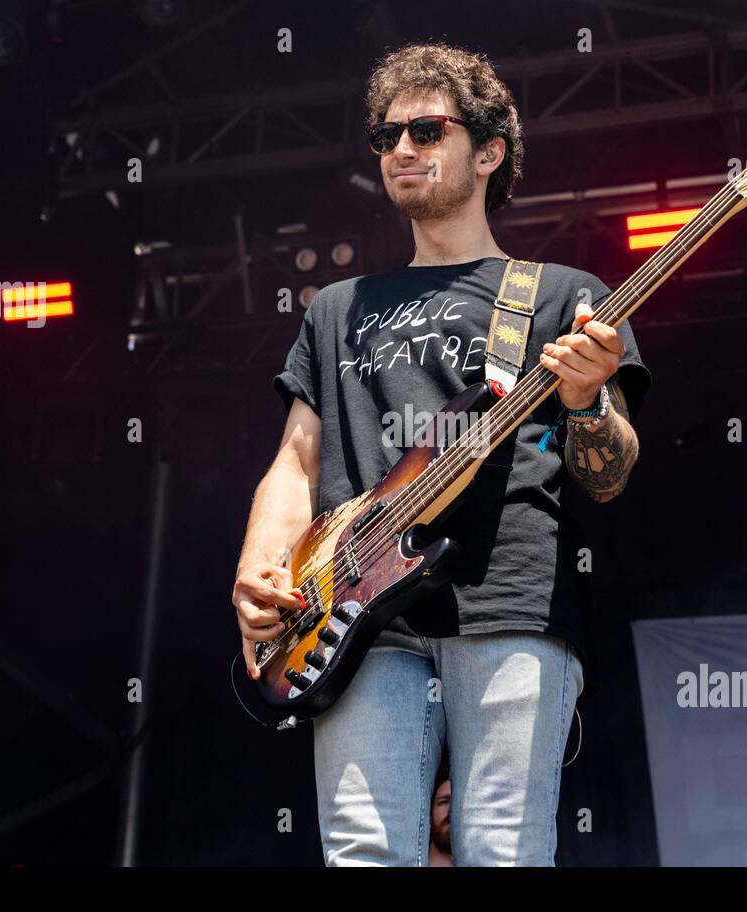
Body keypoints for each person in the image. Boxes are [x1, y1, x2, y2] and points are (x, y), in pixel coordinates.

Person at [232, 42, 651, 866]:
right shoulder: (338, 310)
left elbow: (611, 473)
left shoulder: (562, 294)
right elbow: (296, 460)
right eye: (386, 137)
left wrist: (583, 399)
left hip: (508, 603)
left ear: (490, 151)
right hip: (349, 614)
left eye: (426, 131)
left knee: (503, 851)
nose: (401, 151)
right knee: (366, 855)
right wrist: (258, 571)